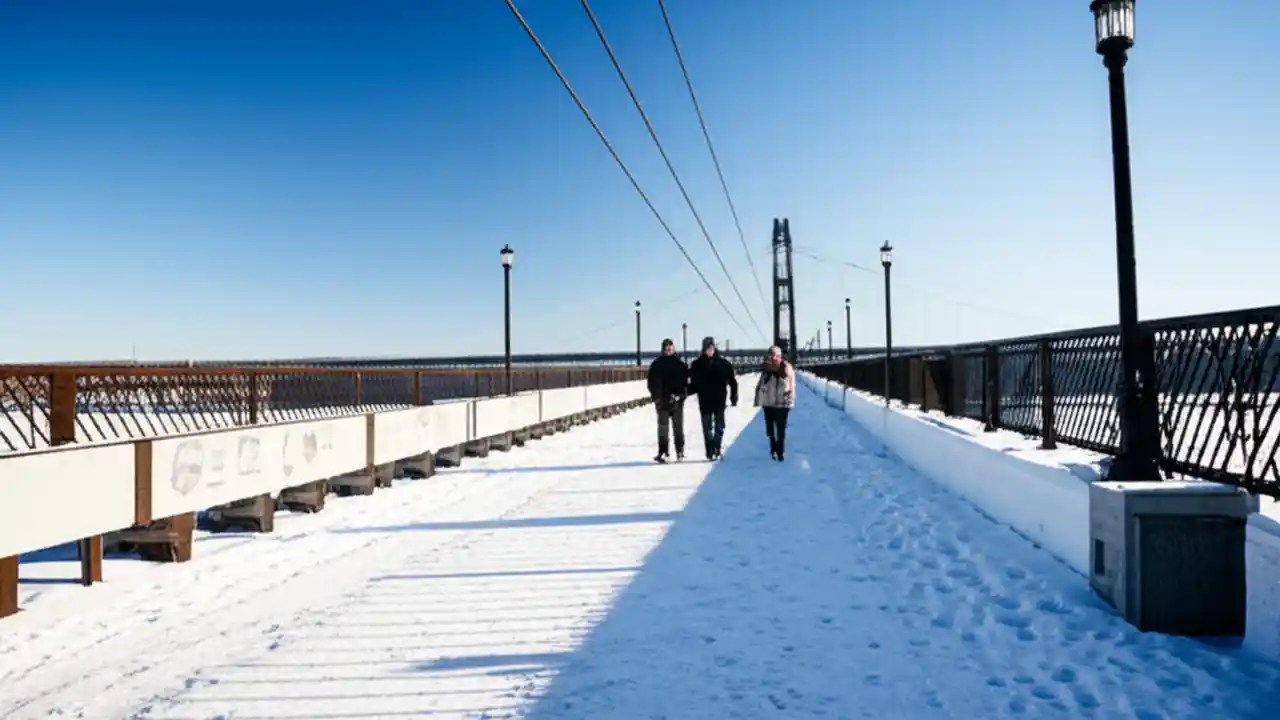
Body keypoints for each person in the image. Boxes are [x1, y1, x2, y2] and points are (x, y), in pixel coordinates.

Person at [688, 336, 738, 460]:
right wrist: (683, 393)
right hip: (704, 400)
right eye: (707, 347)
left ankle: (717, 447)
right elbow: (693, 384)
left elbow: (732, 381)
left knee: (719, 426)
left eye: (711, 347)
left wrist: (734, 397)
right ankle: (710, 451)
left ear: (714, 347)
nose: (710, 349)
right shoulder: (696, 365)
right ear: (704, 349)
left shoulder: (723, 364)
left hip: (719, 400)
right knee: (707, 428)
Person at [647, 338, 689, 463]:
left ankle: (680, 451)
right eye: (666, 347)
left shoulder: (680, 364)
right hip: (662, 402)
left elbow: (685, 383)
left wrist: (681, 396)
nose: (668, 349)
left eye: (670, 347)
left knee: (678, 428)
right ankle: (663, 452)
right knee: (663, 429)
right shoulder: (656, 365)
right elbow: (652, 383)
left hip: (677, 400)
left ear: (673, 348)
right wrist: (656, 398)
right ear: (663, 349)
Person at [753, 345, 795, 461]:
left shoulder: (786, 368)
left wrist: (790, 400)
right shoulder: (766, 369)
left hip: (782, 403)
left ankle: (780, 451)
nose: (773, 358)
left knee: (781, 428)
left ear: (780, 356)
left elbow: (791, 385)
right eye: (771, 356)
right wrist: (758, 399)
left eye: (776, 356)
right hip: (768, 403)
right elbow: (760, 385)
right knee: (770, 429)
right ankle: (773, 448)